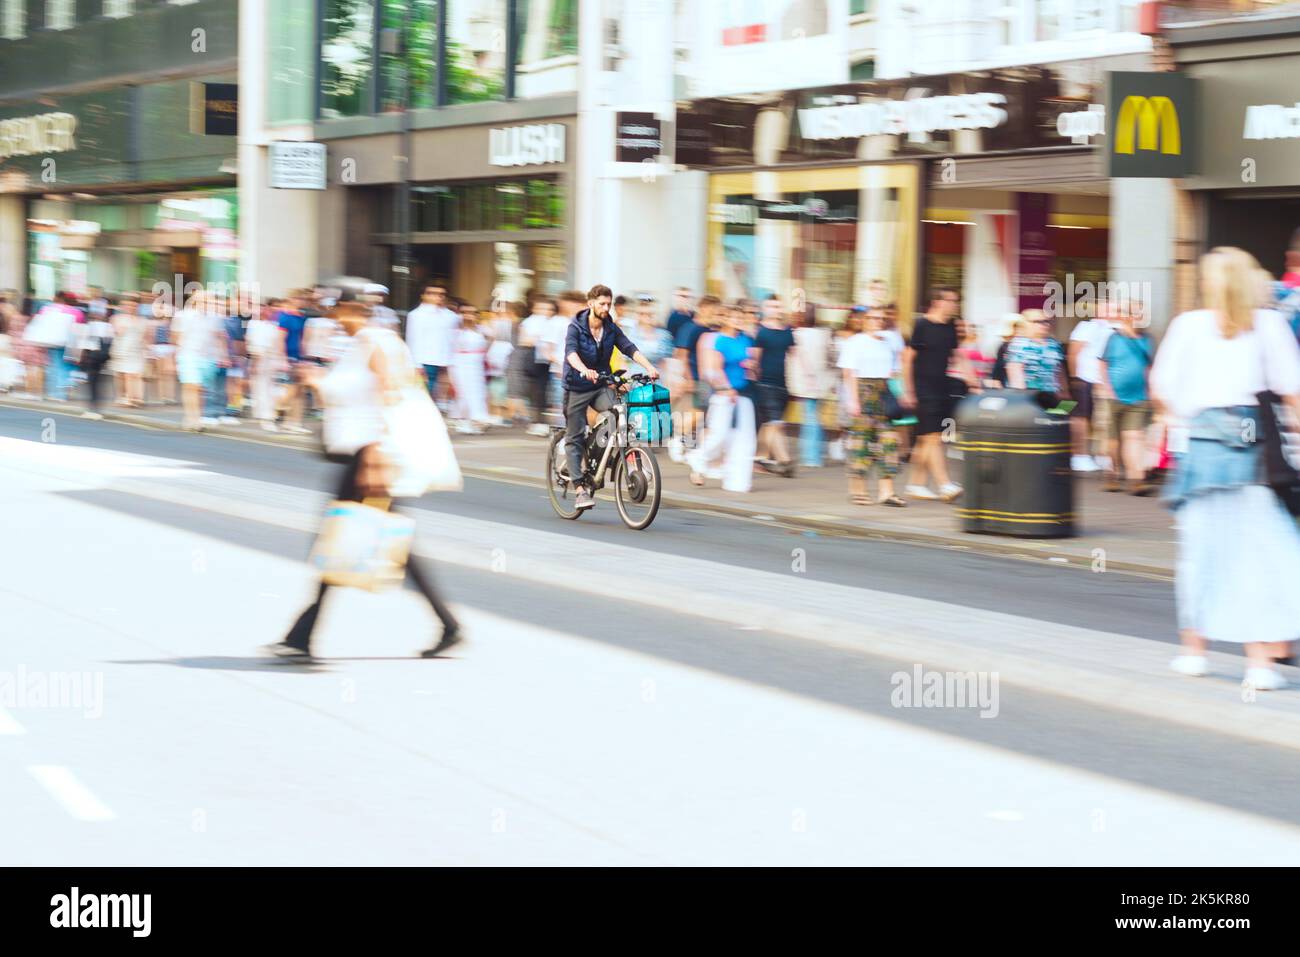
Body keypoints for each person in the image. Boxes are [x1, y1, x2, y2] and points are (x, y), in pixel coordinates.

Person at [264, 301, 461, 664]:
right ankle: (448, 624)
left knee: (339, 538)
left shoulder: (374, 343)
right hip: (359, 455)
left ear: (352, 309)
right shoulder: (358, 346)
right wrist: (314, 381)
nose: (334, 319)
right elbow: (352, 398)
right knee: (384, 545)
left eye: (338, 311)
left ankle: (302, 637)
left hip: (368, 457)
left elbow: (390, 396)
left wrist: (377, 455)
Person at [1151, 247, 1300, 691]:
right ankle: (1259, 663)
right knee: (1258, 553)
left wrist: (1180, 415)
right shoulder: (1268, 324)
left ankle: (1193, 651)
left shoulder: (1188, 325)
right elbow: (1291, 390)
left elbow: (1161, 388)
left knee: (1200, 552)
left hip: (1198, 450)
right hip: (1250, 453)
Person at [562, 284, 661, 511]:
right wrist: (583, 369)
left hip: (600, 385)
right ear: (591, 304)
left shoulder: (610, 328)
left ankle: (596, 458)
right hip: (577, 386)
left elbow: (628, 347)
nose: (606, 308)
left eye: (608, 304)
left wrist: (649, 366)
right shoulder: (576, 326)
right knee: (575, 435)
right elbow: (571, 353)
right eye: (602, 304)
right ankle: (579, 490)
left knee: (618, 415)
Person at [838, 305, 906, 507]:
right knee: (861, 444)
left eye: (881, 318)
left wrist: (899, 393)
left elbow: (894, 371)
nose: (878, 321)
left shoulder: (888, 343)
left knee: (888, 442)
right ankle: (858, 491)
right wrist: (852, 400)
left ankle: (887, 492)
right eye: (873, 318)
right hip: (862, 391)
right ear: (864, 320)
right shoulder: (855, 342)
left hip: (883, 393)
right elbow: (848, 373)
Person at [687, 303, 757, 493]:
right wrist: (726, 389)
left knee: (744, 440)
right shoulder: (719, 340)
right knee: (718, 436)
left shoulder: (745, 340)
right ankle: (697, 459)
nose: (739, 321)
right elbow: (714, 370)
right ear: (725, 319)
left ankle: (737, 482)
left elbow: (752, 366)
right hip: (724, 397)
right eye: (734, 318)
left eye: (741, 318)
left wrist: (751, 367)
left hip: (743, 396)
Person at [901, 287, 963, 501]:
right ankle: (945, 484)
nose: (955, 304)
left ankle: (916, 484)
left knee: (925, 440)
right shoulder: (922, 325)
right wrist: (908, 390)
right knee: (934, 437)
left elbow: (956, 357)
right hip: (922, 388)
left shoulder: (951, 327)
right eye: (951, 300)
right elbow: (907, 359)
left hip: (942, 387)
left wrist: (972, 381)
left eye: (956, 300)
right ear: (938, 302)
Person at [1099, 303, 1156, 495]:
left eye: (1142, 312)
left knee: (1134, 437)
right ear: (1125, 316)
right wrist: (1107, 390)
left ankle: (1136, 479)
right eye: (1135, 313)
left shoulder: (1147, 339)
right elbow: (1102, 366)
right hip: (1113, 397)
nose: (1139, 316)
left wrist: (1151, 392)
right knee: (1113, 442)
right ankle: (1112, 474)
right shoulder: (1113, 338)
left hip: (1138, 398)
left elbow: (1148, 368)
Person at [1067, 304, 1114, 472]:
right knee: (1081, 418)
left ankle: (1102, 455)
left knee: (1104, 420)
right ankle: (1080, 455)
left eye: (1112, 310)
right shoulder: (1086, 327)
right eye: (1106, 309)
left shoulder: (1115, 329)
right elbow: (1073, 353)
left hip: (1105, 381)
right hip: (1085, 378)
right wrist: (1075, 377)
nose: (1109, 312)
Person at [753, 294, 796, 477]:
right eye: (771, 306)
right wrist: (753, 377)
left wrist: (807, 376)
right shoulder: (761, 331)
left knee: (769, 425)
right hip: (765, 383)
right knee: (775, 422)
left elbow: (795, 355)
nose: (775, 309)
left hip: (782, 384)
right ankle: (784, 460)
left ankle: (758, 458)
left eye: (778, 306)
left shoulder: (788, 332)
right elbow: (755, 358)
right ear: (765, 309)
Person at [789, 310, 833, 468]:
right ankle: (817, 453)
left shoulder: (797, 334)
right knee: (815, 416)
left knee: (810, 417)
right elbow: (830, 358)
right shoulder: (824, 334)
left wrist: (807, 376)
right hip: (822, 380)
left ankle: (811, 456)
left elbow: (796, 358)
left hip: (805, 381)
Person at [404, 283, 460, 406]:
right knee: (424, 396)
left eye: (441, 294)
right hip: (425, 361)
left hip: (446, 362)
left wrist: (452, 362)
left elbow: (454, 339)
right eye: (432, 294)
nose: (438, 297)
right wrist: (416, 364)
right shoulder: (416, 315)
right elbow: (412, 339)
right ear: (423, 296)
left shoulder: (451, 316)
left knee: (444, 399)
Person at [1005, 309, 1066, 401]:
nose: (1045, 325)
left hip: (1052, 395)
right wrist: (1021, 398)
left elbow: (1059, 371)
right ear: (1026, 324)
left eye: (1046, 321)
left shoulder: (1053, 344)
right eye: (1038, 322)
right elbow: (1015, 373)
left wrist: (1065, 391)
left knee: (1061, 413)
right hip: (1029, 396)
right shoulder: (1019, 344)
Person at [451, 304, 491, 433]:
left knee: (478, 390)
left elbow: (492, 338)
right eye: (466, 313)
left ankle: (477, 419)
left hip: (477, 363)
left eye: (473, 313)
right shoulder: (456, 331)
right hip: (460, 362)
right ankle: (465, 419)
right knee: (463, 390)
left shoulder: (482, 329)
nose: (469, 315)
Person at [519, 297, 556, 435]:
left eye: (549, 309)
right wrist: (540, 338)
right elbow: (524, 341)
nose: (546, 312)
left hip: (546, 360)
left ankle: (540, 421)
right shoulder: (529, 322)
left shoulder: (552, 322)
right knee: (537, 391)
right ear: (534, 309)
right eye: (542, 308)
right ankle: (536, 422)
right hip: (534, 359)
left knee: (544, 391)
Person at [245, 302, 284, 431]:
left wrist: (279, 360)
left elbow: (277, 345)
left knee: (269, 389)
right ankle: (265, 417)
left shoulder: (272, 326)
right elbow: (253, 345)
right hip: (261, 359)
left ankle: (268, 415)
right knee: (261, 389)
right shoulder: (254, 325)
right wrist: (255, 362)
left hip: (270, 359)